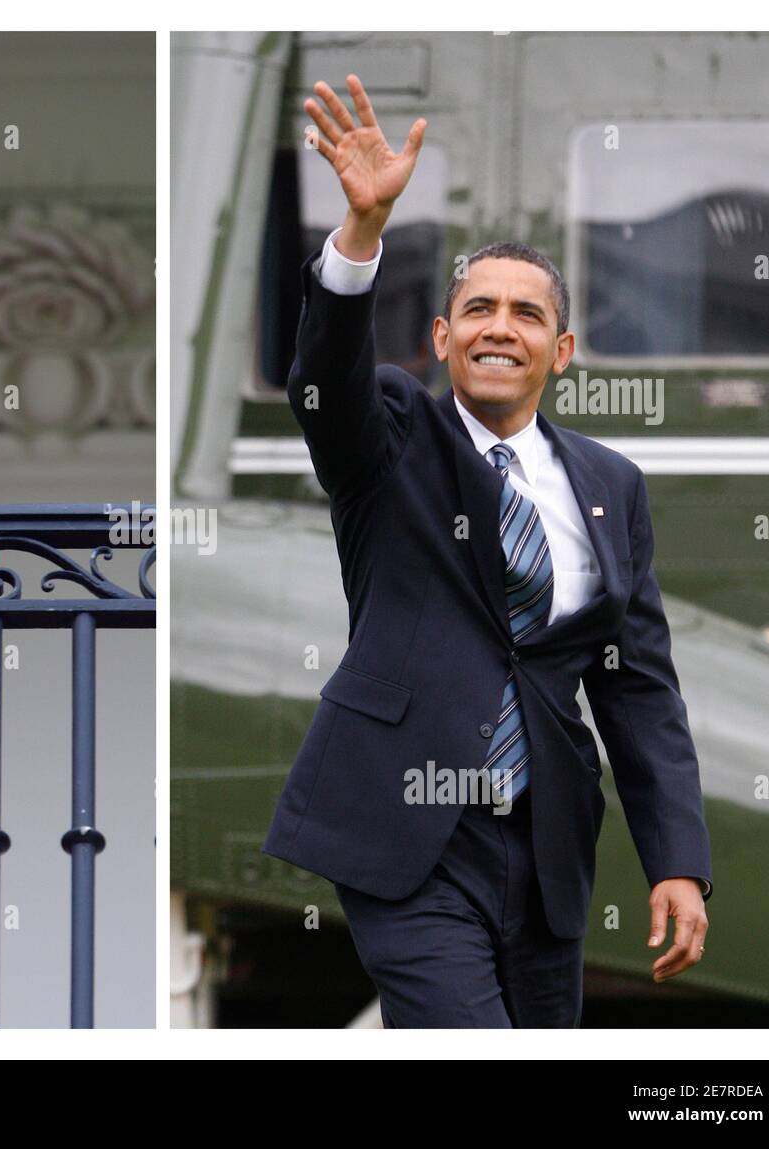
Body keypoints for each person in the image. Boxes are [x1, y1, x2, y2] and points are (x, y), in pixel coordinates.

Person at [261, 75, 712, 1027]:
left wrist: (677, 861)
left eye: (526, 314)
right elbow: (322, 386)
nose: (499, 326)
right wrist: (362, 232)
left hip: (546, 847)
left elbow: (638, 686)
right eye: (477, 309)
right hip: (405, 829)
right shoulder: (390, 435)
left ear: (562, 348)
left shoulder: (610, 484)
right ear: (442, 335)